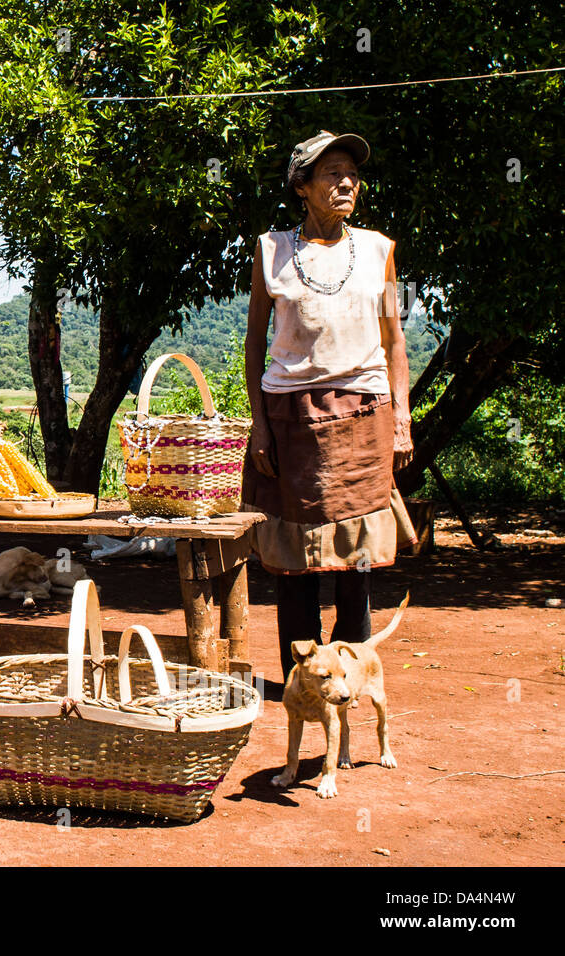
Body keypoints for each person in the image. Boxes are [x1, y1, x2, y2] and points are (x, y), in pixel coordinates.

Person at [241, 130, 419, 682]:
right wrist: (260, 427)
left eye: (352, 174)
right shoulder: (270, 251)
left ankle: (349, 676)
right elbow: (254, 344)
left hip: (365, 416)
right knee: (294, 558)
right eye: (330, 173)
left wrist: (403, 420)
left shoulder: (380, 250)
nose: (346, 183)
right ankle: (303, 678)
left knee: (355, 556)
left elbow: (394, 341)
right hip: (290, 419)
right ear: (302, 186)